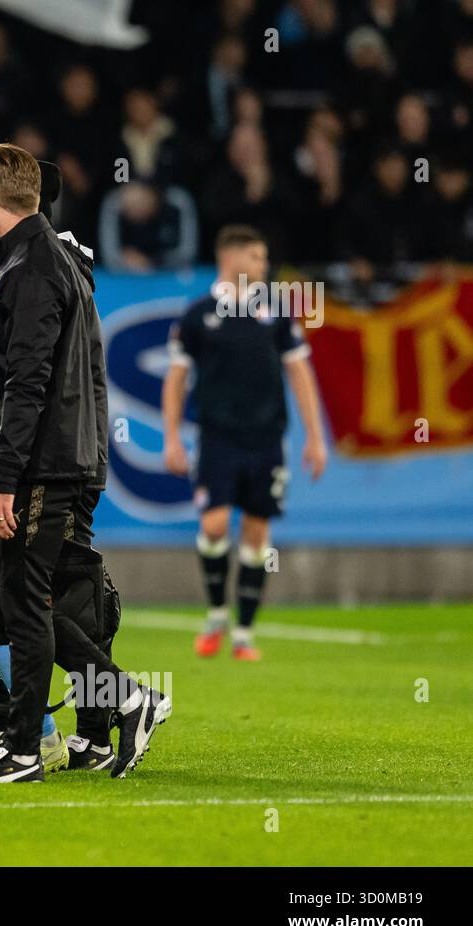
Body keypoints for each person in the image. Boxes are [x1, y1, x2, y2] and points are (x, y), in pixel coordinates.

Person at [0, 144, 168, 783]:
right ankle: (103, 721)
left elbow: (28, 383)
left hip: (45, 462)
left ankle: (30, 745)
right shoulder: (52, 258)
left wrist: (5, 480)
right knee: (54, 595)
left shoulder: (31, 269)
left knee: (21, 595)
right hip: (72, 455)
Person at [162, 224, 328, 660]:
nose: (263, 265)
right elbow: (176, 379)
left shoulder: (275, 313)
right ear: (231, 259)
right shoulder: (199, 315)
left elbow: (300, 373)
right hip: (216, 439)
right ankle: (218, 611)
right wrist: (172, 438)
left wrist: (315, 437)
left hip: (266, 439)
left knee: (257, 532)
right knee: (214, 525)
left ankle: (244, 633)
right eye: (256, 257)